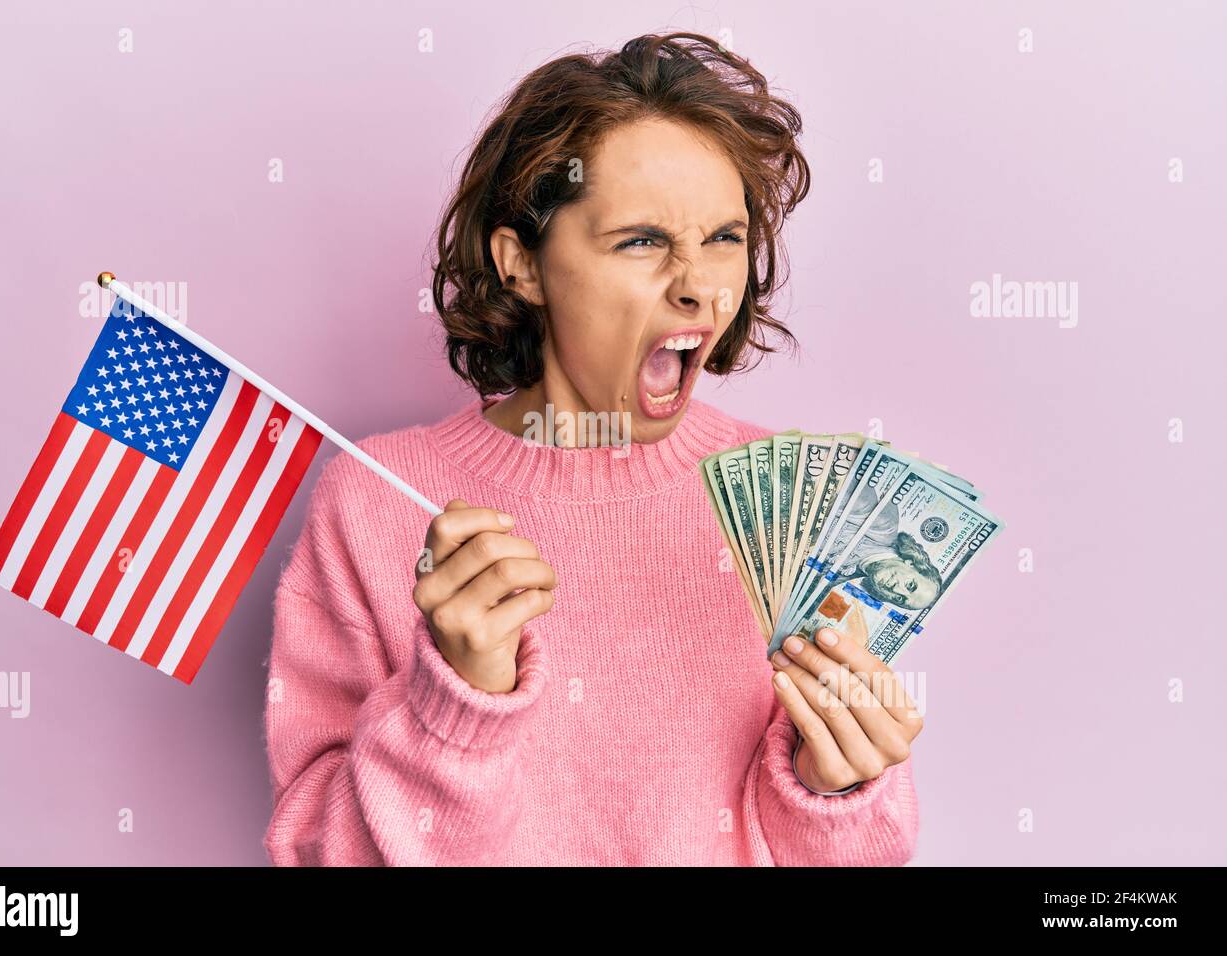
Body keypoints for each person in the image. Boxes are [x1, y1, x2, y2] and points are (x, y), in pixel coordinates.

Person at [262, 32, 922, 866]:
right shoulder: (374, 499)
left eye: (724, 237)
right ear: (522, 266)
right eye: (641, 240)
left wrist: (836, 795)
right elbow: (317, 851)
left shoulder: (792, 498)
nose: (699, 284)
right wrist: (457, 702)